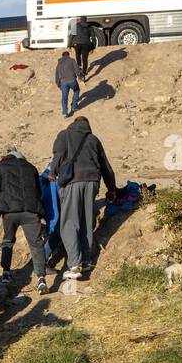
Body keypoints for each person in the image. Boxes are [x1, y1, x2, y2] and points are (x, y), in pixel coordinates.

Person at [50, 117, 118, 281]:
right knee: (86, 222)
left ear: (73, 123)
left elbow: (58, 156)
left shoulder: (64, 135)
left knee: (69, 223)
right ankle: (86, 260)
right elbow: (105, 165)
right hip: (93, 181)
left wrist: (53, 172)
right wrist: (112, 188)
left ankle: (74, 264)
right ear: (88, 126)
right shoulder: (93, 139)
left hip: (73, 180)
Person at [0, 148, 50, 295]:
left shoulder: (1, 166)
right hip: (31, 211)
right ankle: (41, 278)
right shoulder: (31, 167)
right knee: (36, 243)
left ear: (6, 156)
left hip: (10, 212)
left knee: (8, 241)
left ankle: (6, 274)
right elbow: (38, 191)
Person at [56, 50, 80, 117]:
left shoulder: (59, 63)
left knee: (64, 96)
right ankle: (74, 106)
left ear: (62, 56)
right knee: (76, 90)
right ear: (68, 55)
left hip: (63, 82)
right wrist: (80, 76)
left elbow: (57, 75)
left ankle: (64, 111)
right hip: (72, 80)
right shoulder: (72, 60)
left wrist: (58, 84)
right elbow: (77, 69)